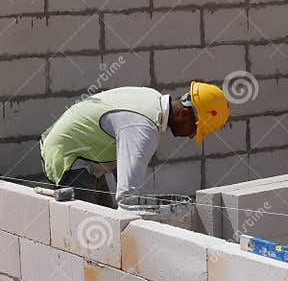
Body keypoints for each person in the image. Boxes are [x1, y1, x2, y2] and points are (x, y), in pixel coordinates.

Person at [39, 83, 230, 207]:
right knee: (89, 228)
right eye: (195, 129)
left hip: (83, 157)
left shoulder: (151, 99)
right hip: (68, 157)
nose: (191, 136)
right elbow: (127, 199)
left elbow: (124, 174)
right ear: (184, 115)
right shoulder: (143, 127)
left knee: (105, 218)